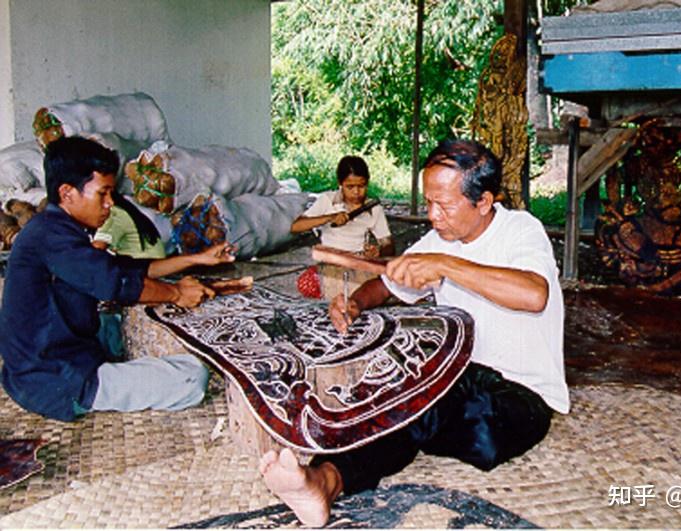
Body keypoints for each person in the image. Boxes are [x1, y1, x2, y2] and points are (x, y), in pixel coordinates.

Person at [259, 139, 569, 526]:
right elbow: (389, 283)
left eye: (445, 205)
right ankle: (323, 481)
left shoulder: (521, 230)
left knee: (431, 410)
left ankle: (384, 440)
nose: (434, 216)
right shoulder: (441, 239)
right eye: (428, 203)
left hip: (520, 396)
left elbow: (533, 294)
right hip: (461, 379)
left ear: (484, 202)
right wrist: (355, 303)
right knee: (401, 393)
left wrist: (445, 264)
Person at [0, 136, 236, 422]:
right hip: (56, 379)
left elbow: (124, 268)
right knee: (193, 379)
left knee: (113, 325)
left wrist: (196, 259)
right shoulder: (49, 235)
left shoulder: (57, 229)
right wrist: (176, 294)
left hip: (47, 362)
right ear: (67, 193)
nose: (110, 203)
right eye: (103, 193)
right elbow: (116, 282)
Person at [291, 156, 394, 258]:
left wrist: (378, 252)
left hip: (357, 260)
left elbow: (388, 245)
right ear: (340, 183)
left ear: (367, 183)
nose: (356, 192)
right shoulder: (328, 200)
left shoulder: (373, 208)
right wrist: (330, 218)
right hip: (329, 258)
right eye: (350, 187)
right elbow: (295, 227)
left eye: (361, 186)